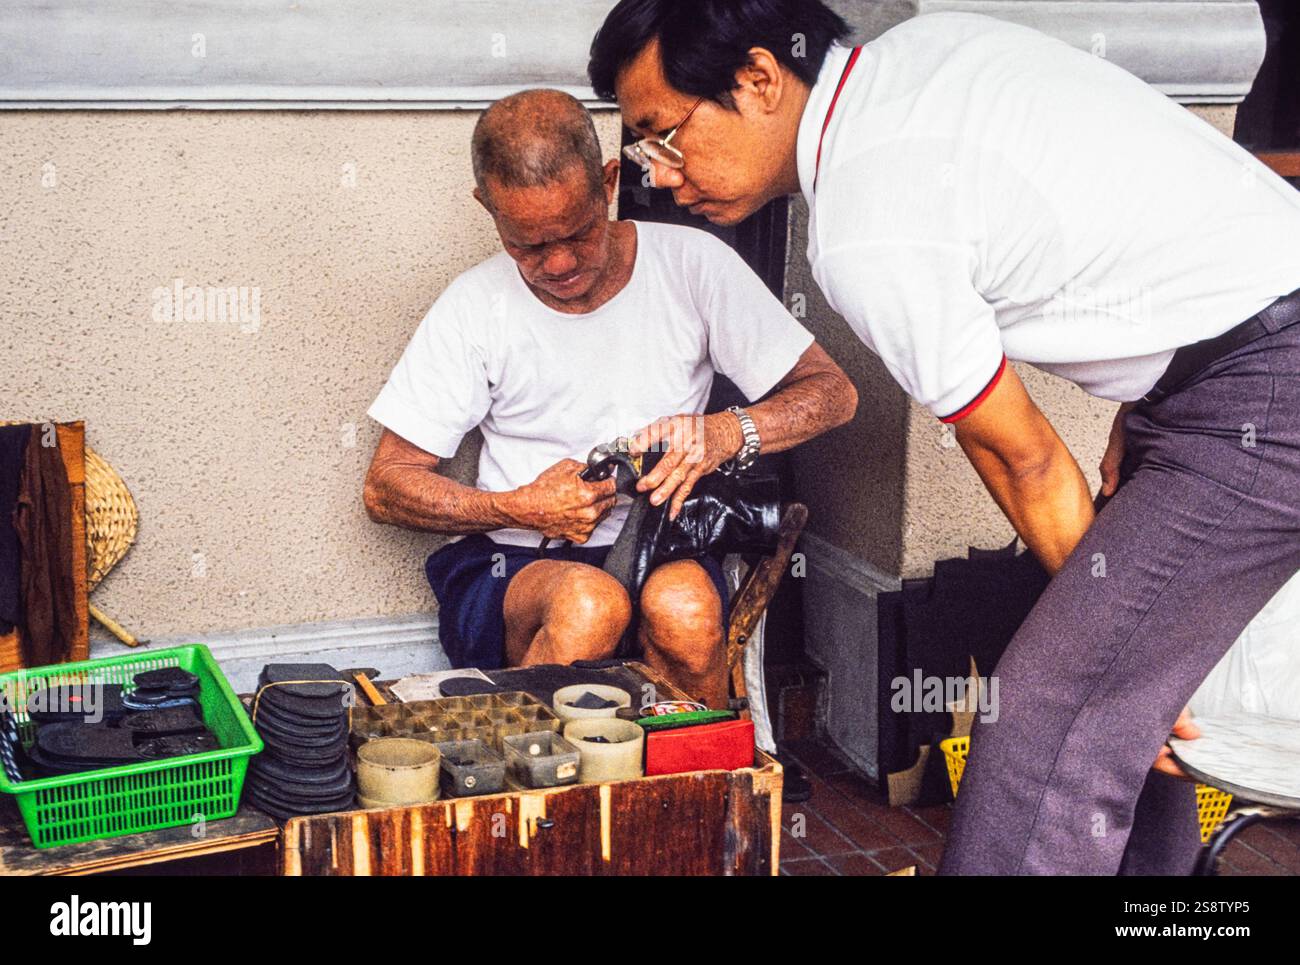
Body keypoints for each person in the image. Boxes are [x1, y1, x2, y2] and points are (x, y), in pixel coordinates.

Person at [590, 0, 1300, 873]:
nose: (658, 175)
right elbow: (1138, 214)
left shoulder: (864, 218)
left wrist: (1112, 652)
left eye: (663, 134)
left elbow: (1023, 454)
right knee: (1108, 716)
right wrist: (1149, 393)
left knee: (1044, 731)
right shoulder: (915, 55)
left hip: (1264, 390)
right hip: (1231, 361)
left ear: (760, 78)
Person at [363, 89, 856, 709]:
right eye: (529, 246)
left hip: (662, 542)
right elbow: (386, 487)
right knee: (588, 607)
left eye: (578, 232)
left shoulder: (694, 265)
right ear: (486, 209)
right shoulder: (474, 306)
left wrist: (725, 433)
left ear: (609, 182)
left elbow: (833, 394)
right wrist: (519, 507)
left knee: (686, 612)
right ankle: (537, 794)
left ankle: (694, 786)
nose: (561, 263)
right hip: (519, 563)